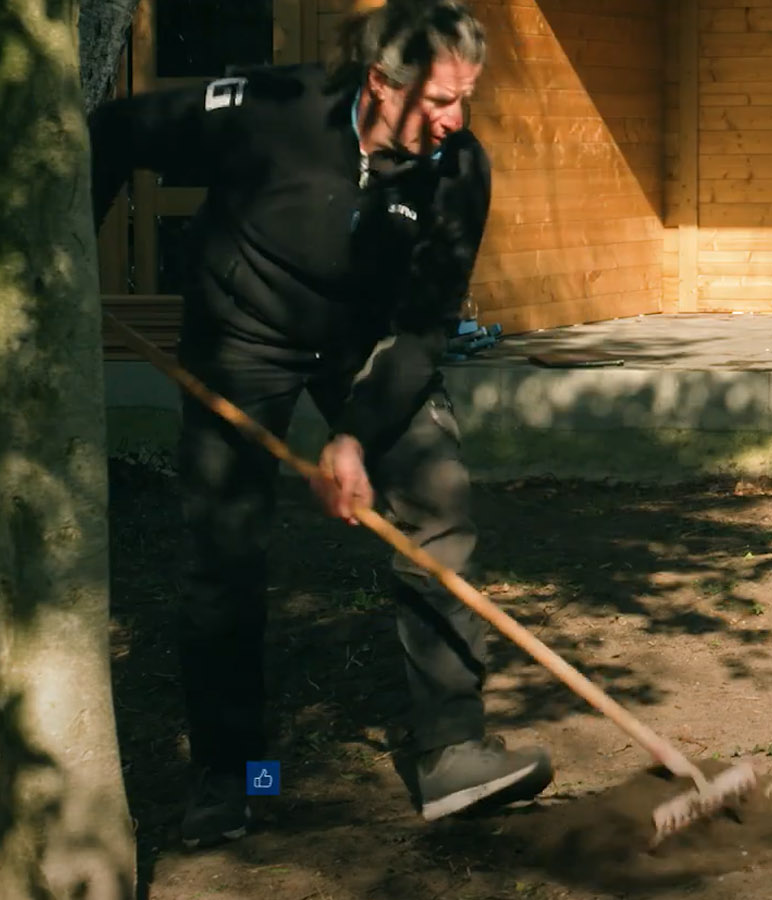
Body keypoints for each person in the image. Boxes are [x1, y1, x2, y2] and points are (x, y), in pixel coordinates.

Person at [89, 0, 553, 848]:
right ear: (381, 83)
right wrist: (65, 267)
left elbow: (421, 329)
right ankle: (237, 779)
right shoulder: (269, 111)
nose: (457, 121)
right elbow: (113, 129)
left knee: (438, 508)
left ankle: (452, 755)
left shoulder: (459, 172)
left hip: (363, 347)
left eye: (468, 99)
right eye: (441, 101)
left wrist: (352, 438)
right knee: (223, 555)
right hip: (241, 340)